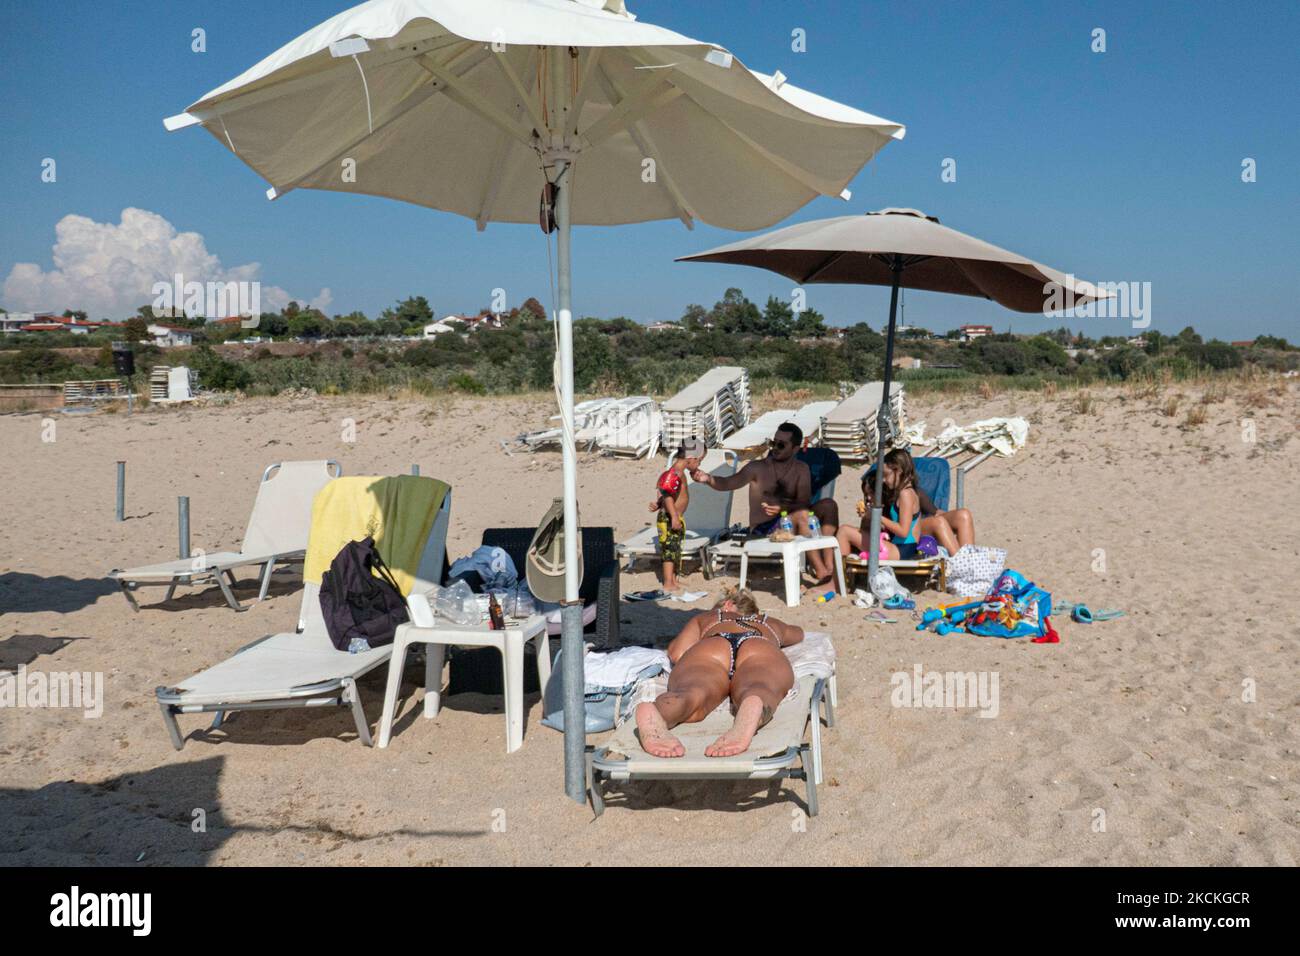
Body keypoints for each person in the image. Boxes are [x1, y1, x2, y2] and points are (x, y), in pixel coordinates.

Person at [634, 588, 804, 758]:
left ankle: (660, 711)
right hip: (758, 643)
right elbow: (798, 634)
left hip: (714, 644)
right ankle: (753, 702)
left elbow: (676, 653)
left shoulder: (709, 617)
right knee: (760, 686)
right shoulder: (768, 621)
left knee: (691, 692)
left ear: (728, 604)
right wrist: (773, 626)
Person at [690, 422, 838, 586]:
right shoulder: (757, 468)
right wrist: (708, 479)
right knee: (802, 516)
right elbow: (728, 483)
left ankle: (829, 566)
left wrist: (782, 508)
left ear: (795, 449)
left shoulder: (801, 469)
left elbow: (804, 502)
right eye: (773, 443)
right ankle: (821, 572)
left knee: (829, 505)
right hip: (763, 529)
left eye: (781, 445)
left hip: (791, 520)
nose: (775, 448)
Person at [650, 437, 705, 593]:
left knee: (674, 548)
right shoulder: (676, 471)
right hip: (669, 518)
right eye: (699, 461)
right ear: (691, 458)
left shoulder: (679, 471)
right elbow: (667, 493)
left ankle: (673, 580)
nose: (699, 464)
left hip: (673, 517)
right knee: (668, 551)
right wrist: (674, 516)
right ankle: (668, 583)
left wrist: (658, 503)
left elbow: (668, 494)